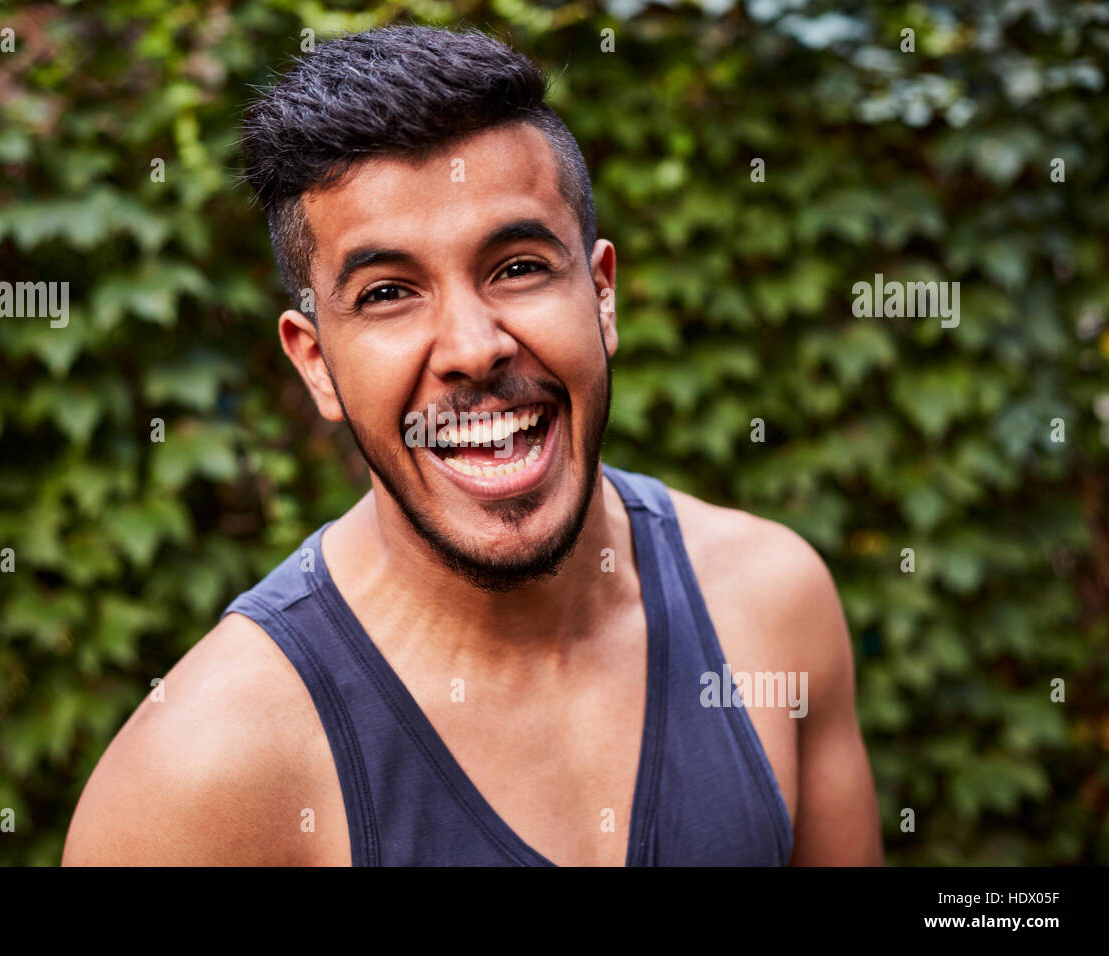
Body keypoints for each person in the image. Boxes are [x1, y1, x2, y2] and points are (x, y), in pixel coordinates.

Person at [63, 24, 883, 866]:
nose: (471, 346)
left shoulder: (772, 604)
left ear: (602, 295)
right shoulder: (199, 776)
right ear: (316, 364)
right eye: (388, 293)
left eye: (518, 267)